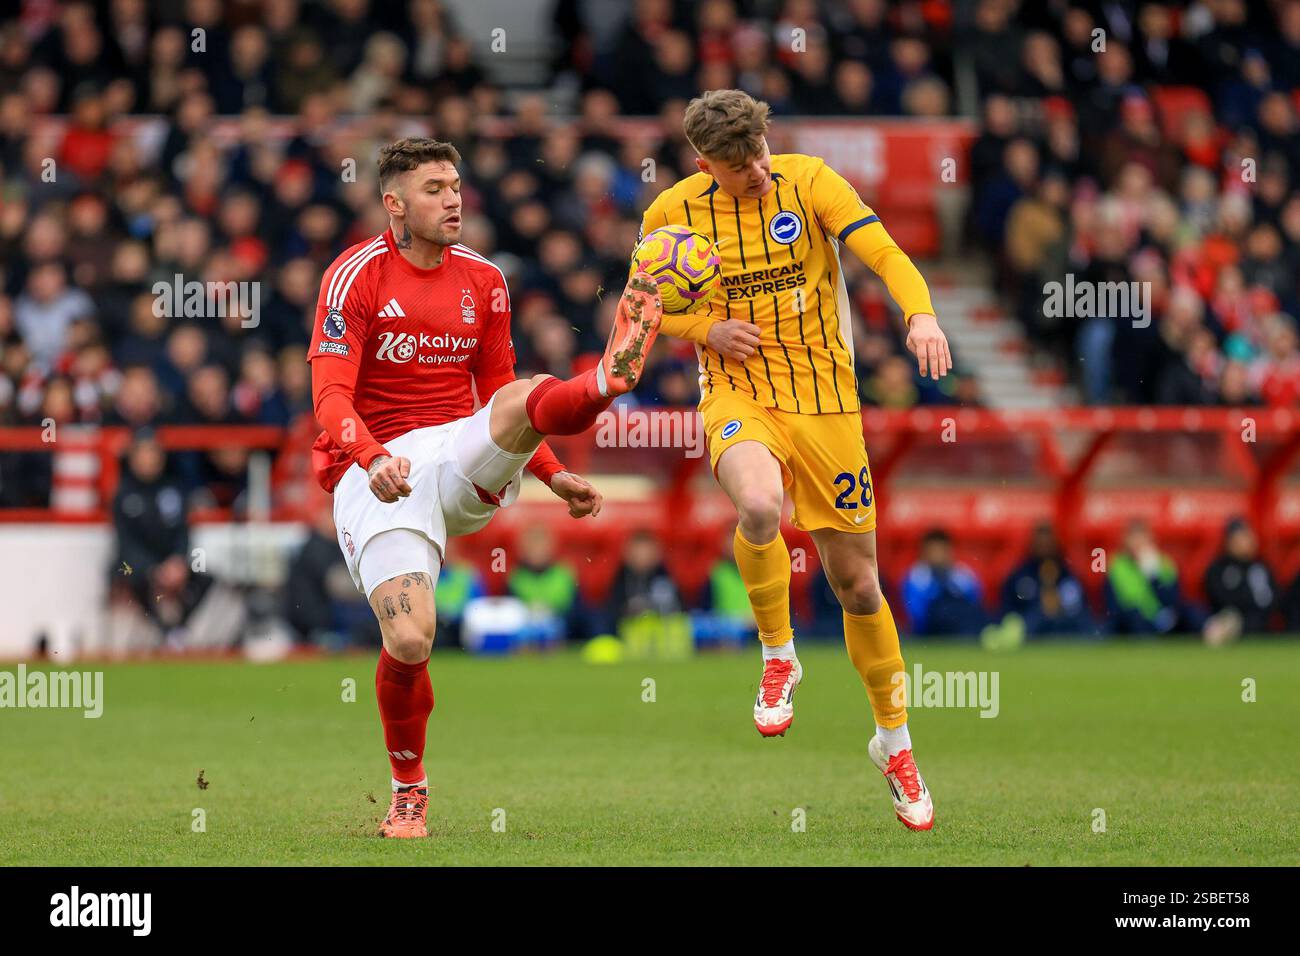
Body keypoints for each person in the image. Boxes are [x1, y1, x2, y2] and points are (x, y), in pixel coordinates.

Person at [308, 137, 663, 839]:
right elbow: (328, 397)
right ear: (394, 204)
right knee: (411, 641)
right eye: (435, 188)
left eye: (456, 187)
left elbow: (504, 399)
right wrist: (373, 458)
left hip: (455, 454)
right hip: (376, 474)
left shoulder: (486, 280)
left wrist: (555, 475)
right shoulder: (354, 277)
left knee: (525, 391)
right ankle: (409, 792)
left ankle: (604, 381)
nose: (453, 200)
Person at [638, 90, 949, 829]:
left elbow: (883, 253)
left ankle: (894, 744)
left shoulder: (810, 182)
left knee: (859, 586)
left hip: (829, 406)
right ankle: (779, 654)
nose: (758, 171)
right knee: (757, 506)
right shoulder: (672, 216)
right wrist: (707, 329)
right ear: (704, 162)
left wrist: (922, 313)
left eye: (762, 153)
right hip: (739, 396)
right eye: (740, 165)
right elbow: (642, 305)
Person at [1104, 519, 1204, 635]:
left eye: (1142, 538)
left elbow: (1172, 599)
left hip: (1163, 617)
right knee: (1135, 620)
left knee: (1191, 613)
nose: (1138, 543)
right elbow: (1112, 604)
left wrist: (1153, 575)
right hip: (1134, 619)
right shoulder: (1117, 565)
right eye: (1134, 538)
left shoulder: (1164, 563)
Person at [1001, 522, 1096, 636]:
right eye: (1041, 542)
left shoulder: (1068, 574)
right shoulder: (1020, 576)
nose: (1044, 546)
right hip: (1032, 627)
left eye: (1048, 542)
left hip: (1065, 625)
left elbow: (1079, 605)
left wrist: (1058, 601)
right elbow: (1011, 608)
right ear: (1033, 544)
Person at [901, 529, 987, 636]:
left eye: (941, 550)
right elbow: (917, 613)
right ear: (924, 552)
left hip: (962, 629)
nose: (937, 555)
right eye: (933, 550)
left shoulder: (963, 575)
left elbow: (975, 605)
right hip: (929, 630)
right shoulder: (916, 577)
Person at [1203, 518, 1277, 635]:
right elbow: (1216, 596)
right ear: (1229, 542)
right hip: (1230, 617)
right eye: (1238, 539)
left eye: (1247, 538)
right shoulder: (1219, 568)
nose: (1245, 543)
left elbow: (1273, 597)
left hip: (1260, 621)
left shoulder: (1261, 567)